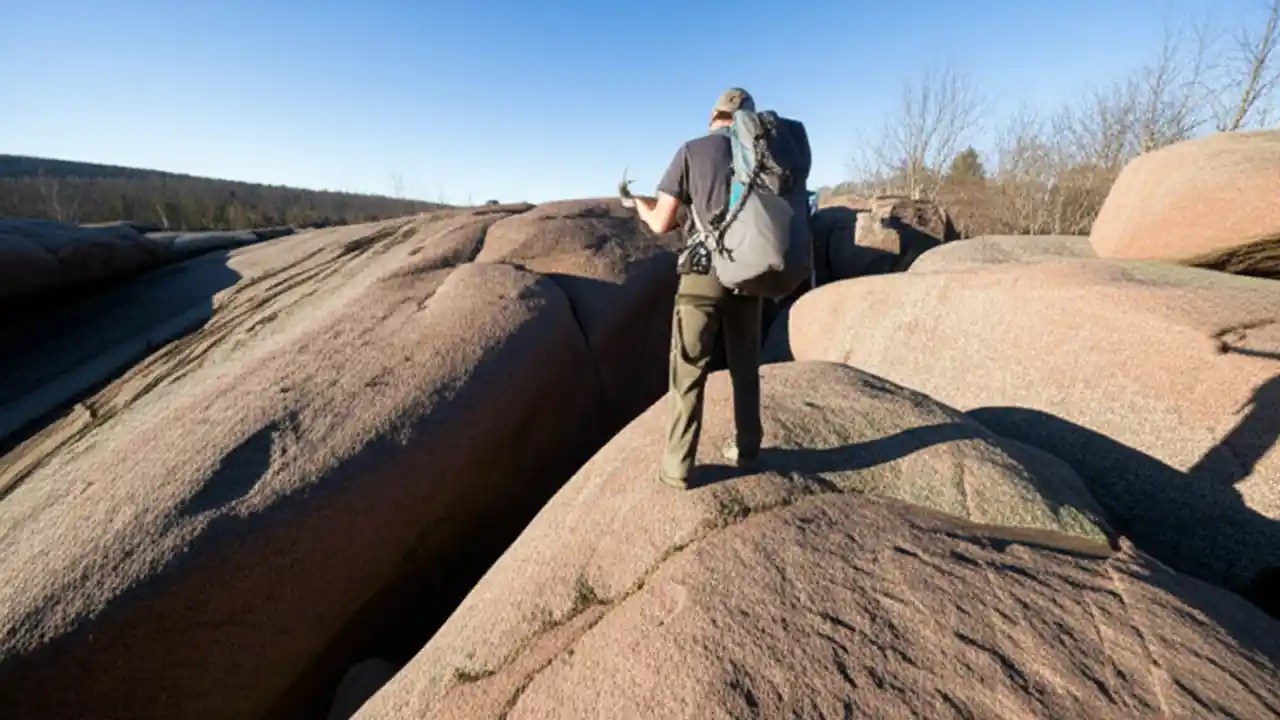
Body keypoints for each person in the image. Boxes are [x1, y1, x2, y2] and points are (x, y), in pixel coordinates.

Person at [632, 87, 764, 489]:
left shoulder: (692, 150)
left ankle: (678, 467)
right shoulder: (762, 154)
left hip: (702, 275)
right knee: (745, 367)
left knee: (688, 370)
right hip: (750, 272)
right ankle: (748, 449)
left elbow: (660, 222)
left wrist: (639, 207)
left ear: (714, 115)